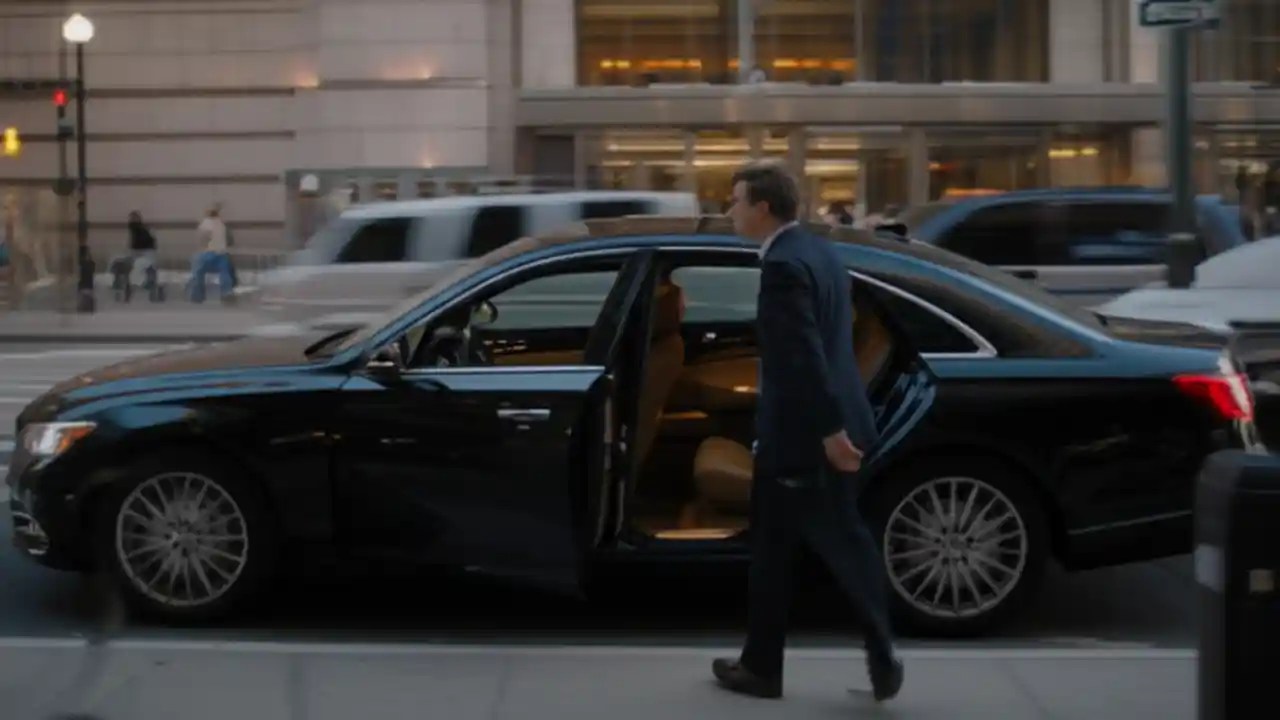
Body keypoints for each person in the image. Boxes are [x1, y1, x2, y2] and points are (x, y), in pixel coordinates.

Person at [711, 161, 903, 702]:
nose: (731, 211)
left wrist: (829, 433)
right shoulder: (818, 251)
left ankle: (863, 656)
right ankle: (768, 665)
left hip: (805, 439)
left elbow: (802, 358)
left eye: (736, 201)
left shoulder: (784, 269)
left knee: (824, 545)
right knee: (808, 545)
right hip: (825, 425)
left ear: (762, 208)